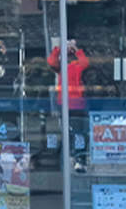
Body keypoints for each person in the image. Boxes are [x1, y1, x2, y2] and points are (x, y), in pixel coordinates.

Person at [47, 39, 91, 170]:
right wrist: (60, 49)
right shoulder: (61, 66)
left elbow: (85, 62)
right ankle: (68, 157)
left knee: (79, 133)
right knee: (67, 132)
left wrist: (76, 49)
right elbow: (51, 62)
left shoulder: (78, 65)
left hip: (77, 104)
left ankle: (80, 159)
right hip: (64, 104)